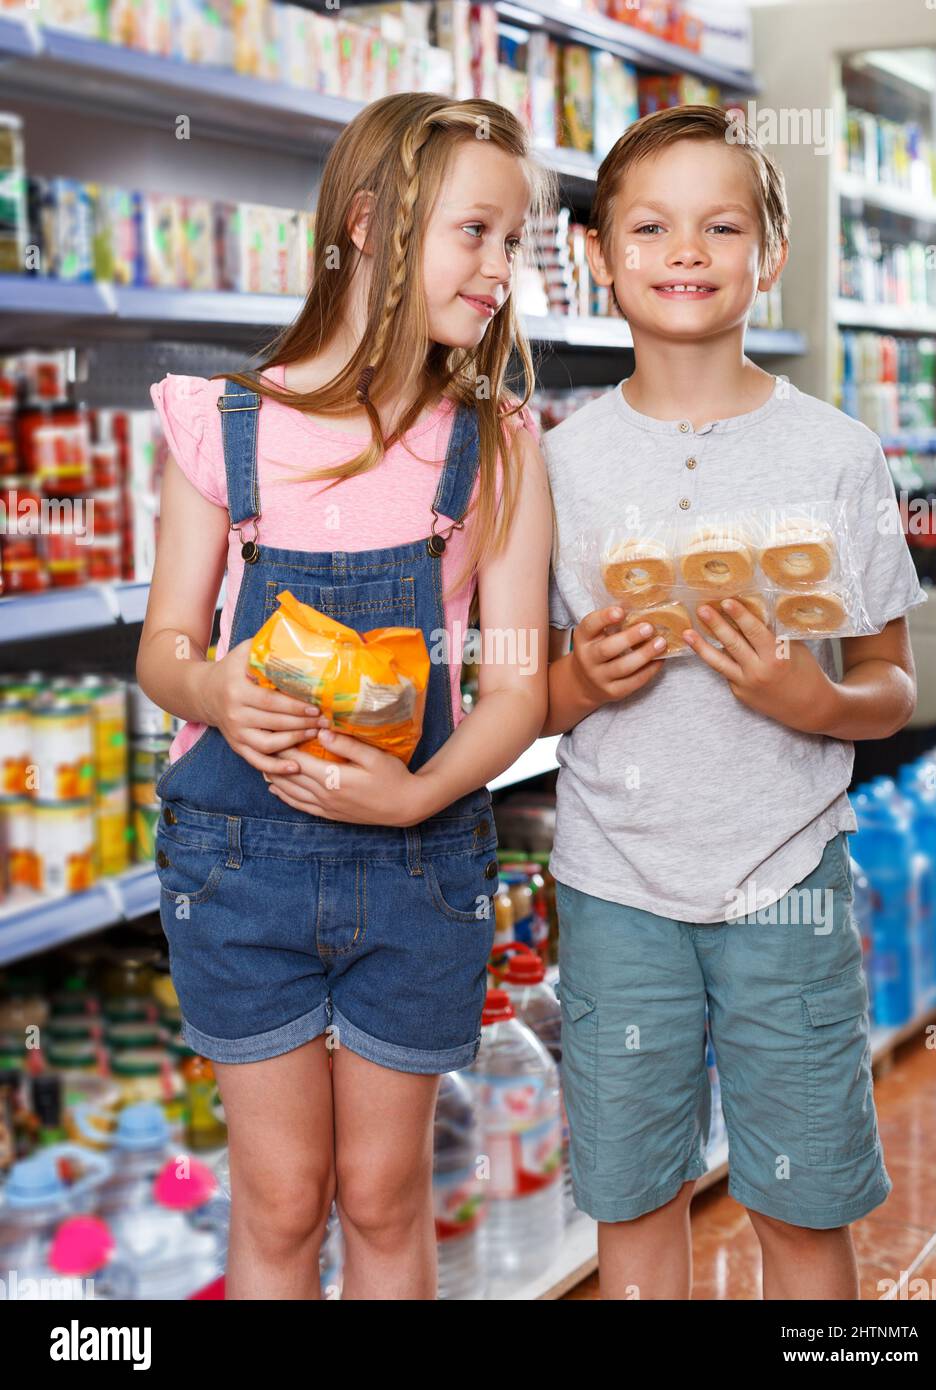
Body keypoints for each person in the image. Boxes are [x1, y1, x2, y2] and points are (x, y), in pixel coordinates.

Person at [137, 92, 555, 1300]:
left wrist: (413, 791)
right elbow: (165, 648)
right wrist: (213, 679)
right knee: (277, 1200)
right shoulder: (228, 426)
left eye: (512, 242)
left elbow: (518, 684)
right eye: (473, 232)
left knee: (383, 1194)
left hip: (418, 868)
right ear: (369, 226)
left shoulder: (499, 442)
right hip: (235, 861)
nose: (497, 270)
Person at [539, 104, 925, 1300]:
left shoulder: (835, 454)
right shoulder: (554, 462)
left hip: (785, 876)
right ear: (598, 255)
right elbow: (521, 695)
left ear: (770, 254)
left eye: (719, 225)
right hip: (612, 882)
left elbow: (890, 687)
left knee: (801, 1203)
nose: (684, 250)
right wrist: (574, 679)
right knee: (632, 1193)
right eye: (648, 226)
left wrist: (804, 698)